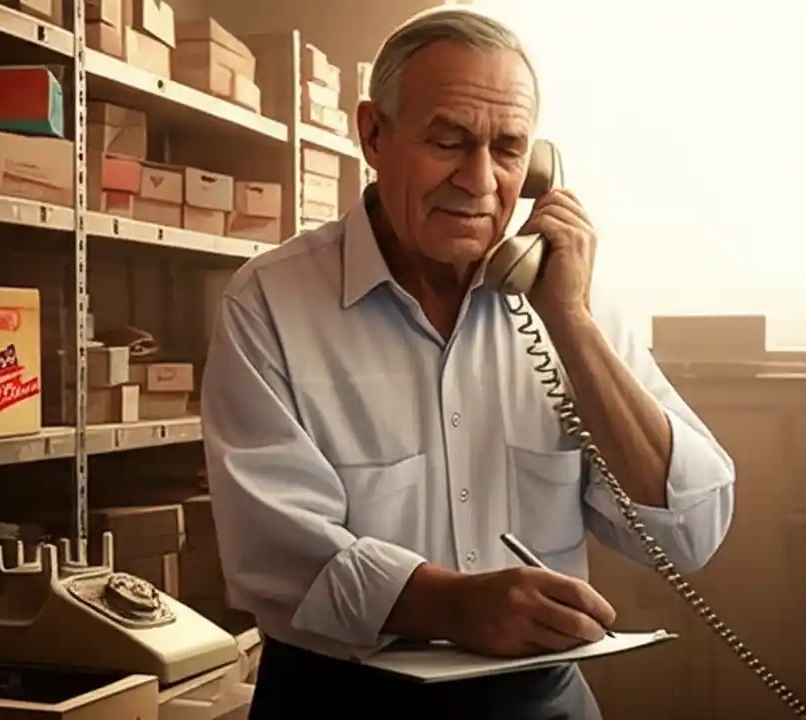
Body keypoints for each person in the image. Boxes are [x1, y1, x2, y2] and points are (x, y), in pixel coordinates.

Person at [201, 7, 735, 719]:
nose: (480, 180)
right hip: (342, 699)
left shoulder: (568, 302)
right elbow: (272, 549)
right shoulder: (270, 300)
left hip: (540, 702)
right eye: (448, 140)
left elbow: (690, 531)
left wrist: (570, 324)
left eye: (509, 148)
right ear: (373, 133)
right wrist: (451, 605)